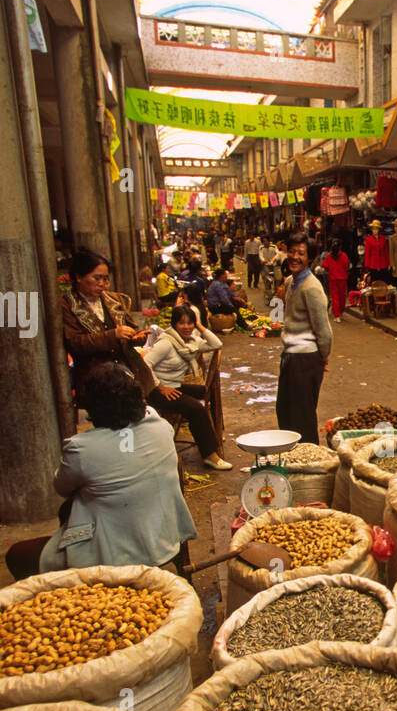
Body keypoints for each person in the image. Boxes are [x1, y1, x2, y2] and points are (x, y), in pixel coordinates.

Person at [4, 363, 197, 580]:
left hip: (117, 555)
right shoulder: (160, 426)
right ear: (137, 397)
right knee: (71, 510)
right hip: (164, 536)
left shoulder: (81, 448)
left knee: (17, 554)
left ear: (92, 407)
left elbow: (62, 487)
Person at [143, 305, 231, 470]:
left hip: (175, 385)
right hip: (157, 391)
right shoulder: (166, 343)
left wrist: (199, 326)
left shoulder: (190, 343)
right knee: (195, 408)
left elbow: (216, 343)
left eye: (190, 323)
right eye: (182, 323)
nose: (187, 327)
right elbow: (144, 364)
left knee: (207, 392)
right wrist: (161, 387)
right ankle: (210, 455)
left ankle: (211, 434)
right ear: (174, 324)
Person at [61, 248, 154, 398]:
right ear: (78, 276)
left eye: (105, 279)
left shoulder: (114, 299)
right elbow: (76, 343)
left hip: (129, 371)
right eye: (96, 278)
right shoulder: (67, 305)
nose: (102, 284)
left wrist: (138, 337)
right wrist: (113, 335)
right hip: (97, 379)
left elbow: (132, 328)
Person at [275, 230, 332, 444]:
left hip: (306, 359)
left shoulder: (312, 288)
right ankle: (293, 457)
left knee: (303, 416)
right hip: (290, 356)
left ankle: (312, 461)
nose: (294, 257)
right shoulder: (290, 282)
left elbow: (324, 330)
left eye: (301, 253)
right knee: (285, 411)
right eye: (291, 251)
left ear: (309, 258)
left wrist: (322, 357)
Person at [322, 239, 350, 322]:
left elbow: (325, 266)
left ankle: (337, 315)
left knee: (335, 297)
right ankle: (340, 312)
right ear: (340, 247)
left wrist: (331, 270)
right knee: (342, 297)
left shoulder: (328, 256)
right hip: (342, 279)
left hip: (333, 279)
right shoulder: (344, 256)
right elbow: (347, 265)